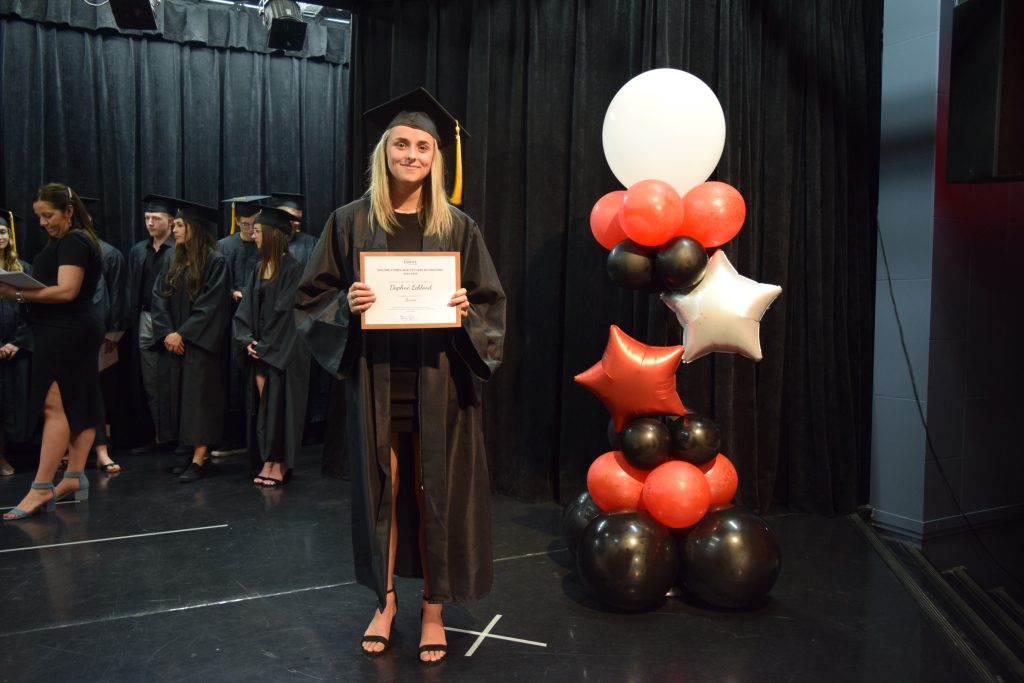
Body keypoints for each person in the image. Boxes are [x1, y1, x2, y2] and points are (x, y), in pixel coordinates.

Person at [294, 88, 506, 664]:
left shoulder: (458, 228)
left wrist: (465, 311)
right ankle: (384, 601)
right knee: (381, 491)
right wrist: (349, 304)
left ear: (436, 157)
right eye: (402, 144)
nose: (412, 155)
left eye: (423, 147)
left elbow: (490, 303)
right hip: (379, 380)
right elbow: (311, 298)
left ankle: (433, 607)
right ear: (384, 151)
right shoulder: (349, 222)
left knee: (435, 490)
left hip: (441, 382)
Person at [0, 183, 104, 520]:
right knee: (78, 403)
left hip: (67, 331)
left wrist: (16, 294)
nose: (43, 222)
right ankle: (73, 477)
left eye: (49, 215)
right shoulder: (67, 241)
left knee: (56, 405)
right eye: (39, 217)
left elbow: (67, 292)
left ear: (69, 211)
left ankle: (42, 486)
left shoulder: (74, 241)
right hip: (65, 330)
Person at [150, 199, 231, 483]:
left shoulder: (215, 260)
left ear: (194, 228)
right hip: (176, 342)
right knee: (180, 399)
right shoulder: (174, 258)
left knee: (200, 400)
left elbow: (212, 305)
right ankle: (188, 450)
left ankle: (199, 457)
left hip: (200, 345)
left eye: (180, 225)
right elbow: (159, 297)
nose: (175, 230)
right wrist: (167, 333)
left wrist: (183, 333)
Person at [232, 205, 310, 487]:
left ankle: (281, 464)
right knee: (265, 407)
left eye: (258, 231)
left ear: (273, 235)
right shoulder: (258, 268)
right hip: (261, 346)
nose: (254, 236)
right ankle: (268, 459)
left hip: (285, 351)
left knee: (281, 408)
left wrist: (265, 346)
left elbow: (287, 314)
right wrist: (246, 340)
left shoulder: (294, 270)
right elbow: (247, 308)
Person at [216, 195, 270, 456]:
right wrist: (231, 293)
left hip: (259, 324)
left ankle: (257, 436)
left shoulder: (265, 247)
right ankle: (232, 434)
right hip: (229, 323)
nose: (250, 230)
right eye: (246, 224)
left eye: (254, 225)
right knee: (231, 376)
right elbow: (213, 284)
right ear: (237, 222)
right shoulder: (224, 247)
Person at [125, 195, 177, 455]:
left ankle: (179, 436)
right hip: (145, 319)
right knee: (151, 383)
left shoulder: (179, 249)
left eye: (156, 218)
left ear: (170, 221)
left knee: (173, 380)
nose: (150, 223)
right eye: (147, 218)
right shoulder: (138, 251)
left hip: (171, 322)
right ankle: (159, 436)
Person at [79, 196, 126, 474]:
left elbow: (118, 296)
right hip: (70, 336)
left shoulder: (107, 254)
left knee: (100, 393)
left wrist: (114, 334)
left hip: (102, 337)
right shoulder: (58, 253)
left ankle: (101, 448)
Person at [0, 210, 33, 477]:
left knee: (14, 405)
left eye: (2, 231)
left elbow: (34, 312)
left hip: (16, 351)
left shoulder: (23, 269)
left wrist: (16, 342)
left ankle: (9, 454)